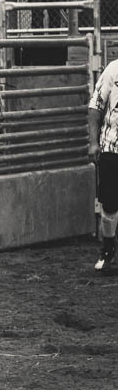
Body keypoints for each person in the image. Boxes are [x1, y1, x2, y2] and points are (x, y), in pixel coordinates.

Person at [88, 58, 118, 272]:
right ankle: (108, 250)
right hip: (112, 147)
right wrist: (93, 142)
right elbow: (95, 106)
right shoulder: (113, 69)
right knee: (110, 203)